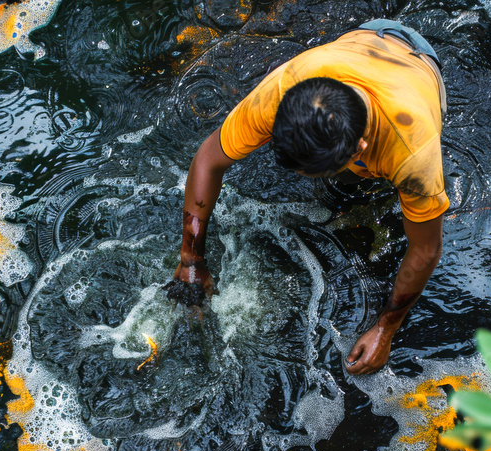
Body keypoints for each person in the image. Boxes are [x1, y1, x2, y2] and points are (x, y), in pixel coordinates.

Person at [168, 20, 448, 375]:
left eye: (310, 170)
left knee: (364, 196)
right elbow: (208, 160)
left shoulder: (412, 152)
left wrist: (386, 328)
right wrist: (191, 259)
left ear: (360, 149)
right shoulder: (285, 91)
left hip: (421, 68)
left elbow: (425, 250)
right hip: (364, 37)